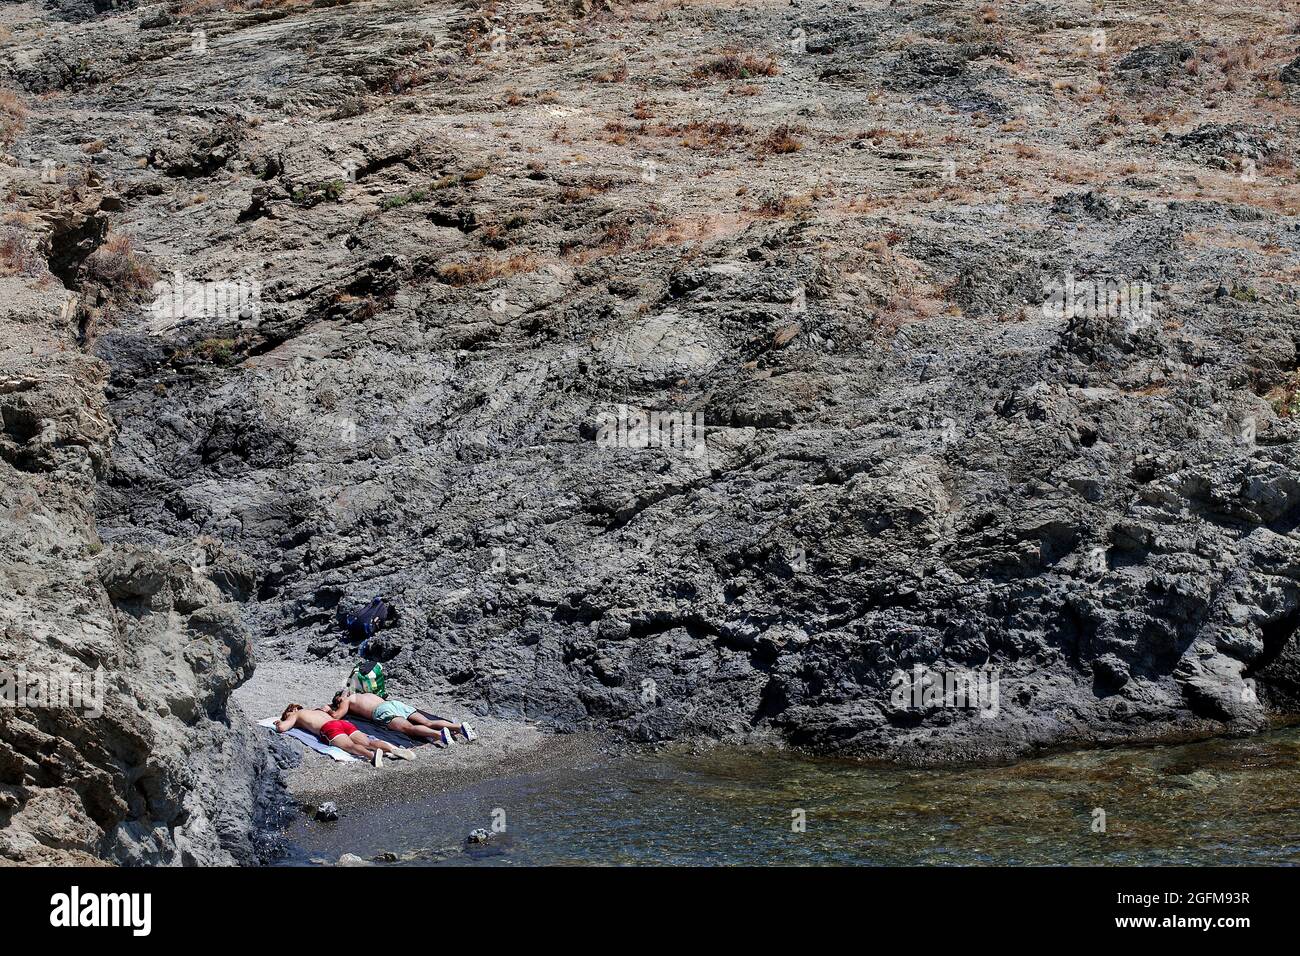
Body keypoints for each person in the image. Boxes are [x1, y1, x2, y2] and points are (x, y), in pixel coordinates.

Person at [276, 703, 416, 766]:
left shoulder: (296, 714)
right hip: (343, 723)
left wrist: (279, 722)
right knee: (367, 742)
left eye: (286, 714)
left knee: (349, 746)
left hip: (329, 728)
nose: (287, 716)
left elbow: (282, 728)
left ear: (292, 710)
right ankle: (392, 749)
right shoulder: (317, 711)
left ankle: (372, 756)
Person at [329, 690, 477, 745]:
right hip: (394, 703)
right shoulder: (366, 693)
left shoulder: (347, 700)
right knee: (428, 721)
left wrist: (329, 709)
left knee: (409, 729)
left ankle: (439, 735)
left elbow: (337, 716)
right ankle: (458, 727)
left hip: (381, 711)